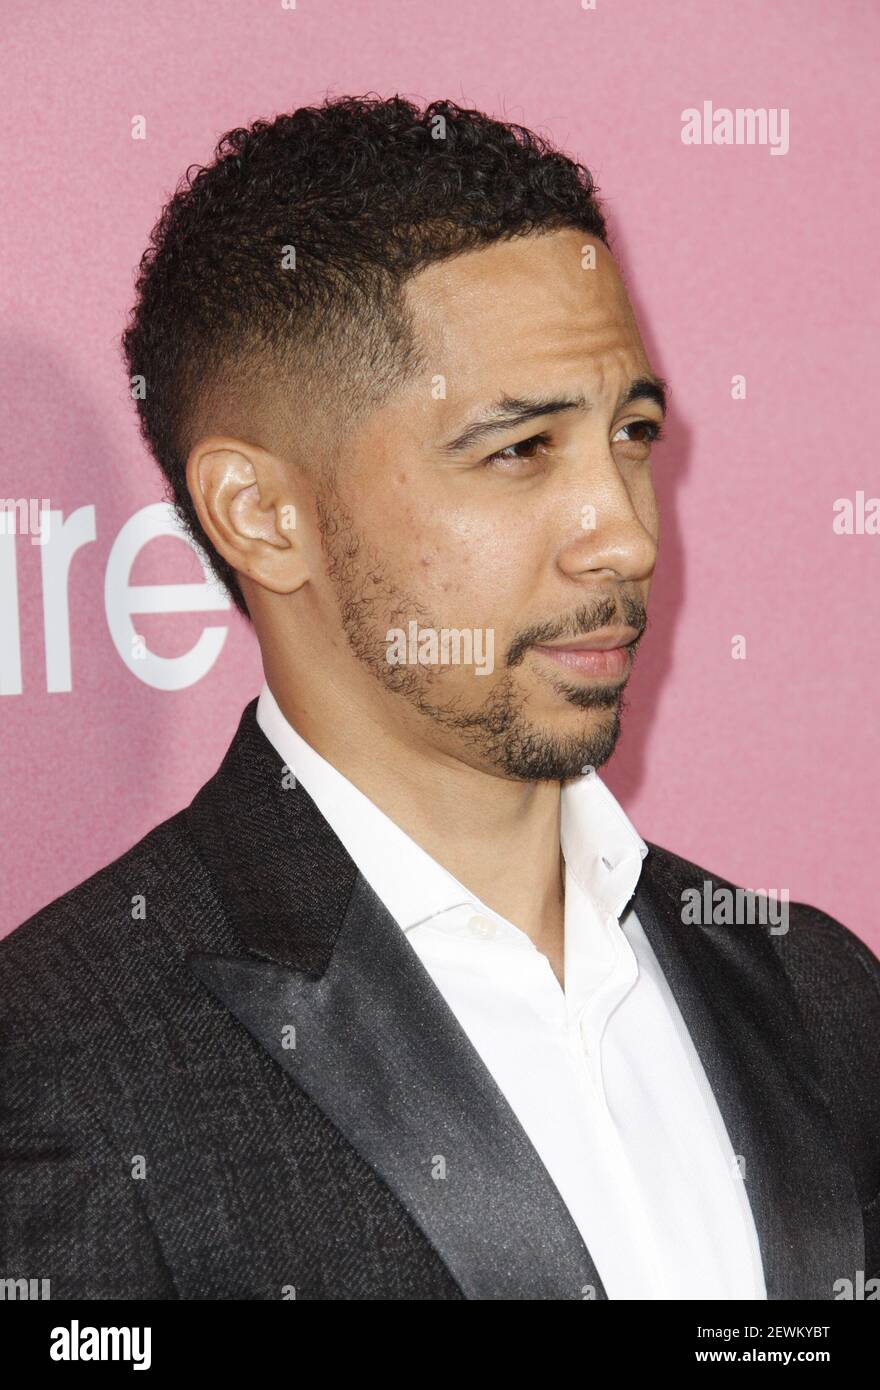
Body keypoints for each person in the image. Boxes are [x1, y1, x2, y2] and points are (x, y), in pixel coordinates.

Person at [1, 94, 877, 1301]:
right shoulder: (64, 1059)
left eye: (630, 433)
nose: (621, 532)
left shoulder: (809, 981)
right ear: (263, 516)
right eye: (519, 449)